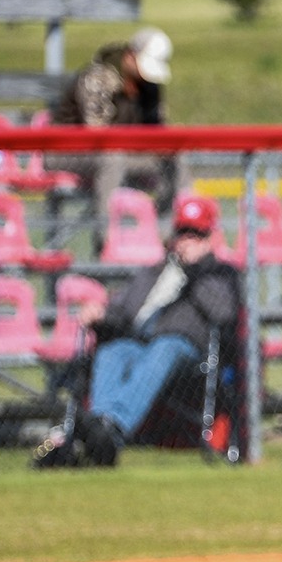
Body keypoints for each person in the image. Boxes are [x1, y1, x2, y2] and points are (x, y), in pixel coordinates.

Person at [31, 195, 242, 469]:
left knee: (165, 346)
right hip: (139, 343)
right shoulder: (155, 271)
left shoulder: (219, 273)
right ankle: (100, 429)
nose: (188, 240)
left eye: (197, 234)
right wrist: (101, 313)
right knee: (112, 350)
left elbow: (222, 312)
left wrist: (194, 270)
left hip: (187, 352)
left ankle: (113, 428)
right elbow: (124, 308)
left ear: (210, 237)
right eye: (183, 232)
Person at [49, 26, 178, 211]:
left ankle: (175, 232)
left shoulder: (150, 86)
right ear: (130, 55)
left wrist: (165, 147)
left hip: (123, 152)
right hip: (67, 152)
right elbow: (97, 134)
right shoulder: (97, 77)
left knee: (174, 159)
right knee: (112, 159)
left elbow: (156, 128)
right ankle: (106, 234)